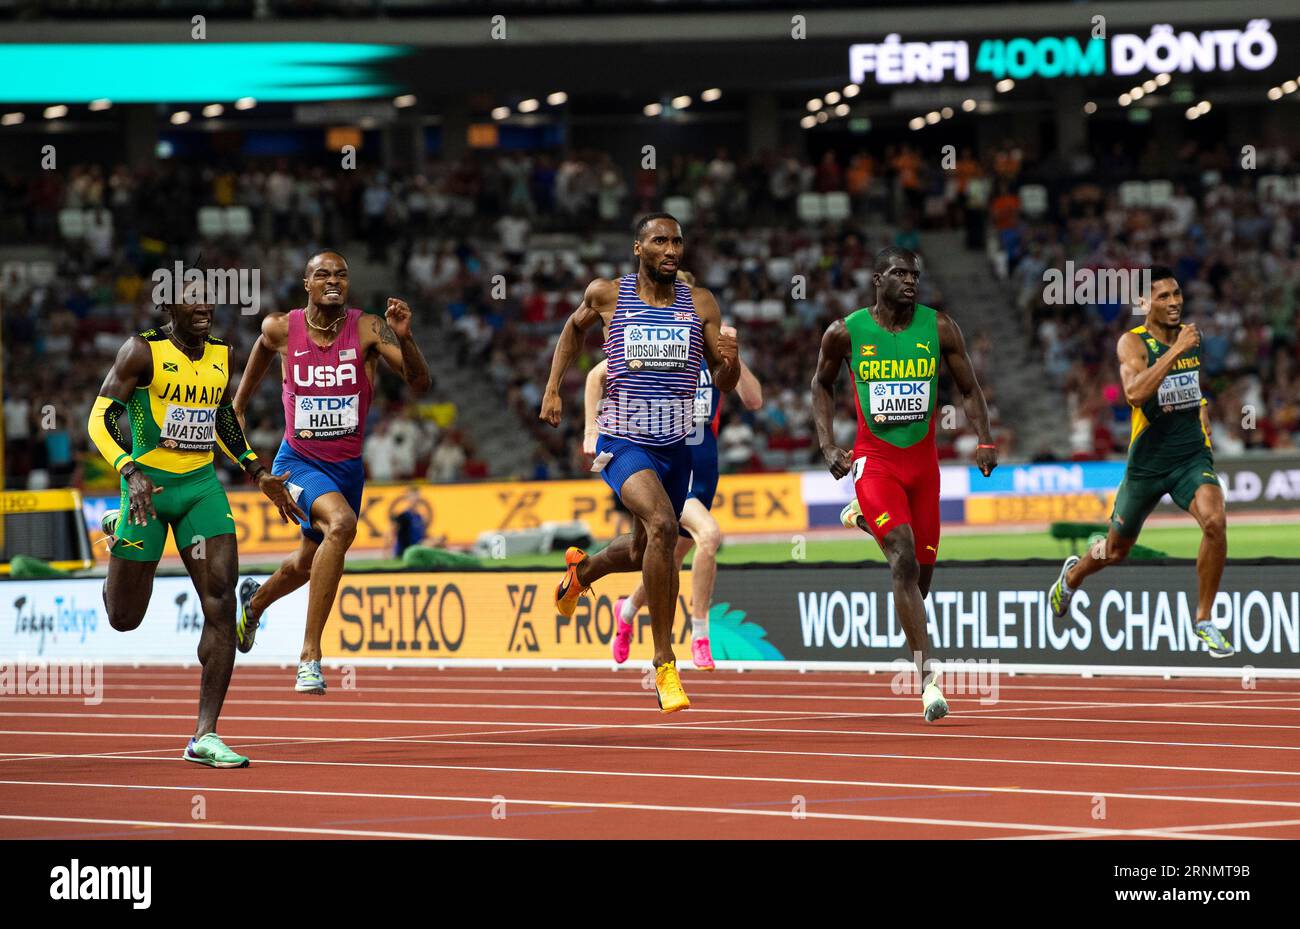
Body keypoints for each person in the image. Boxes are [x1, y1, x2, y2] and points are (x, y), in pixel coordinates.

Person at [87, 296, 303, 767]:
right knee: (124, 618)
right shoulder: (140, 352)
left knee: (222, 602)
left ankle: (205, 735)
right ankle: (117, 532)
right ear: (170, 310)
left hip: (201, 487)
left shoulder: (221, 354)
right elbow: (99, 418)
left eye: (210, 305)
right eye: (194, 305)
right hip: (147, 487)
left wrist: (256, 471)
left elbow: (223, 417)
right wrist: (128, 469)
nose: (205, 312)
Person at [539, 213, 740, 712]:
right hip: (623, 440)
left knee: (639, 549)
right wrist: (552, 388)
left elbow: (723, 381)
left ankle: (580, 575)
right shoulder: (608, 295)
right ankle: (665, 664)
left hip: (676, 448)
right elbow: (571, 330)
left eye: (676, 241)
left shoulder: (701, 303)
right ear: (638, 248)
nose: (671, 249)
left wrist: (730, 362)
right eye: (659, 241)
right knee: (664, 527)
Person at [811, 247, 997, 722]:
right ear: (877, 278)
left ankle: (861, 518)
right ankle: (928, 681)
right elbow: (821, 385)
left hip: (923, 468)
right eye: (899, 273)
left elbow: (969, 388)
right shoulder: (845, 332)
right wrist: (828, 445)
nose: (910, 280)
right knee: (903, 557)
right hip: (876, 463)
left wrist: (985, 438)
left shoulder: (940, 328)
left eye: (915, 273)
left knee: (921, 574)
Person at [232, 250, 431, 694]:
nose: (334, 281)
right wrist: (241, 414)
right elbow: (253, 373)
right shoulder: (280, 328)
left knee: (306, 563)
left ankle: (254, 602)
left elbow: (420, 383)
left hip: (347, 470)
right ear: (307, 283)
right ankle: (310, 656)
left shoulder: (369, 329)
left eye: (341, 274)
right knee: (342, 525)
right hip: (297, 462)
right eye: (323, 274)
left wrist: (407, 338)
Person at [1049, 266, 1233, 657]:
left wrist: (1201, 409)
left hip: (1189, 456)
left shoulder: (1191, 338)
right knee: (1115, 550)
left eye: (1177, 293)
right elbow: (1134, 393)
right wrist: (1176, 351)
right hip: (1147, 466)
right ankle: (1072, 576)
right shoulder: (1132, 344)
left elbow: (1191, 385)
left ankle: (1203, 619)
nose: (1174, 302)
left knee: (1215, 523)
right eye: (1163, 296)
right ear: (1143, 303)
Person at [583, 294, 763, 670]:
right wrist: (590, 430)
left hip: (702, 471)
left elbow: (754, 400)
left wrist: (732, 354)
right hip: (661, 463)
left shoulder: (712, 354)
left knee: (667, 556)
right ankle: (698, 635)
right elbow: (596, 374)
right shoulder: (656, 349)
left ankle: (627, 610)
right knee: (709, 536)